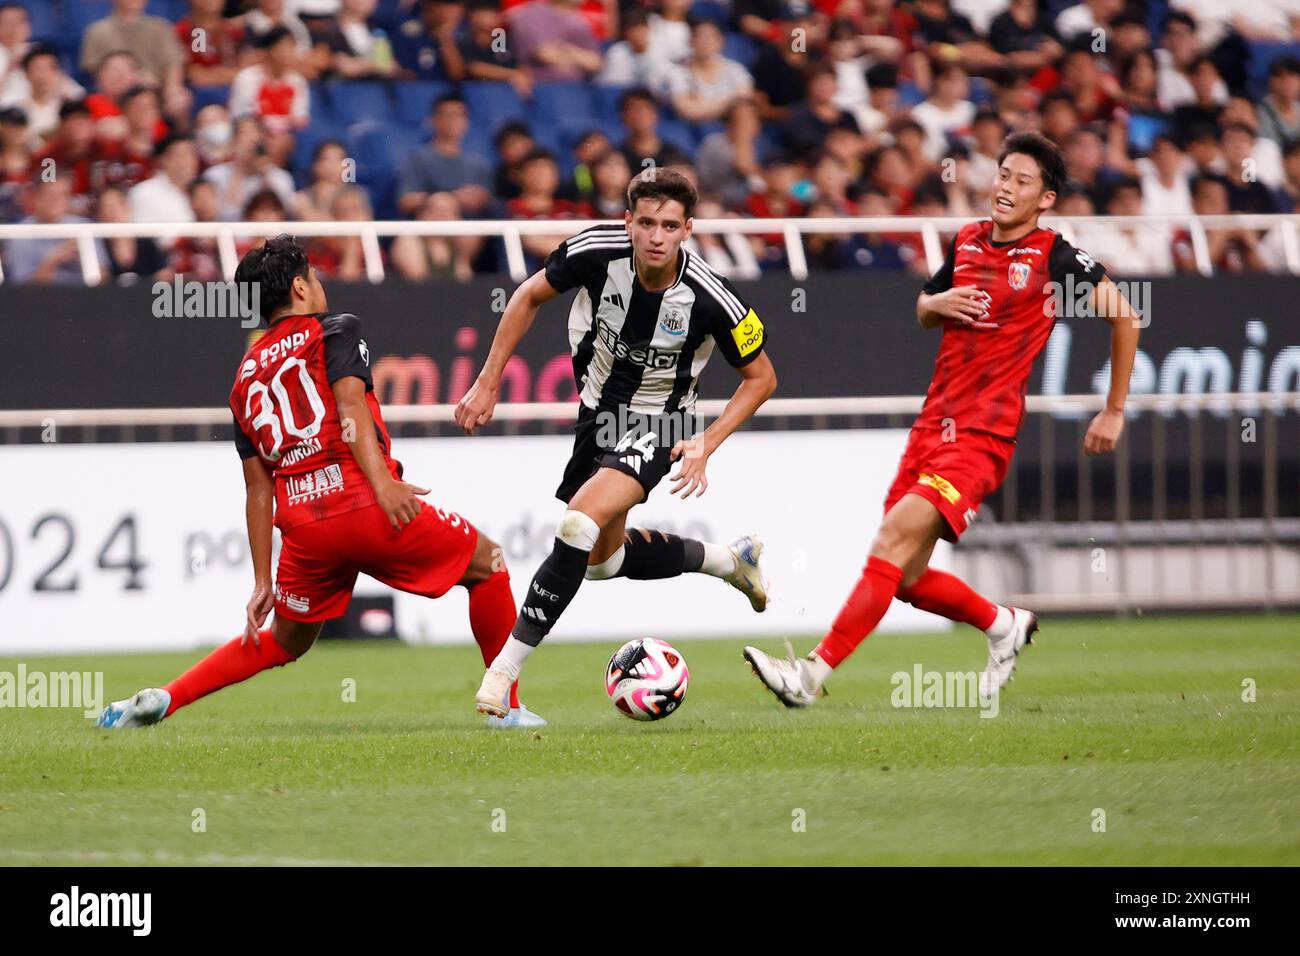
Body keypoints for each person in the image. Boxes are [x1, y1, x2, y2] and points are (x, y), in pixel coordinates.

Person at [744, 132, 1140, 706]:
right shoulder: (968, 239)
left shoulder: (1055, 256)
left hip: (982, 437)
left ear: (1046, 200)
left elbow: (1127, 318)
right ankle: (1003, 626)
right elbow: (924, 308)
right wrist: (938, 304)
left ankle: (809, 676)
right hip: (933, 426)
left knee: (892, 537)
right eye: (1003, 173)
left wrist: (1114, 409)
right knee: (903, 577)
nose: (1005, 186)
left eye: (1022, 181)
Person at [97, 236, 545, 730]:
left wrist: (262, 580)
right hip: (367, 505)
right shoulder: (335, 329)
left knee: (285, 641)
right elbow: (350, 407)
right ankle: (508, 710)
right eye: (314, 274)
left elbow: (257, 488)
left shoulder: (243, 378)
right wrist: (383, 485)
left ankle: (167, 696)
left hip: (306, 531)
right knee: (489, 565)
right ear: (299, 286)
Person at [454, 168, 778, 718]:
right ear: (628, 222)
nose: (656, 236)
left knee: (578, 522)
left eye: (670, 226)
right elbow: (528, 296)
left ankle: (502, 671)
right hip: (597, 416)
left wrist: (706, 441)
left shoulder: (711, 298)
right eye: (646, 222)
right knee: (602, 560)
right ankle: (729, 561)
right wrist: (488, 381)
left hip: (664, 422)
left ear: (688, 229)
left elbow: (762, 377)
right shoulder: (593, 251)